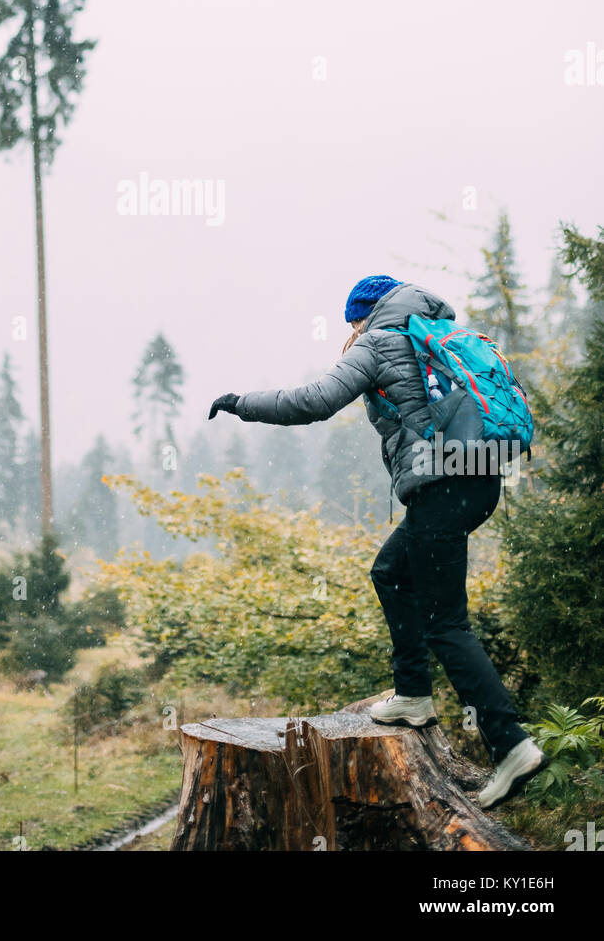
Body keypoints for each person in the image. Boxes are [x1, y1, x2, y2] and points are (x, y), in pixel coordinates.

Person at [208, 273, 545, 809]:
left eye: (351, 323)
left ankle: (511, 746)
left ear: (361, 315)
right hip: (479, 479)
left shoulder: (378, 342)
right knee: (390, 571)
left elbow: (315, 400)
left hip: (441, 486)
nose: (350, 332)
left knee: (448, 624)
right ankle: (413, 694)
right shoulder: (435, 336)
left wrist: (241, 403)